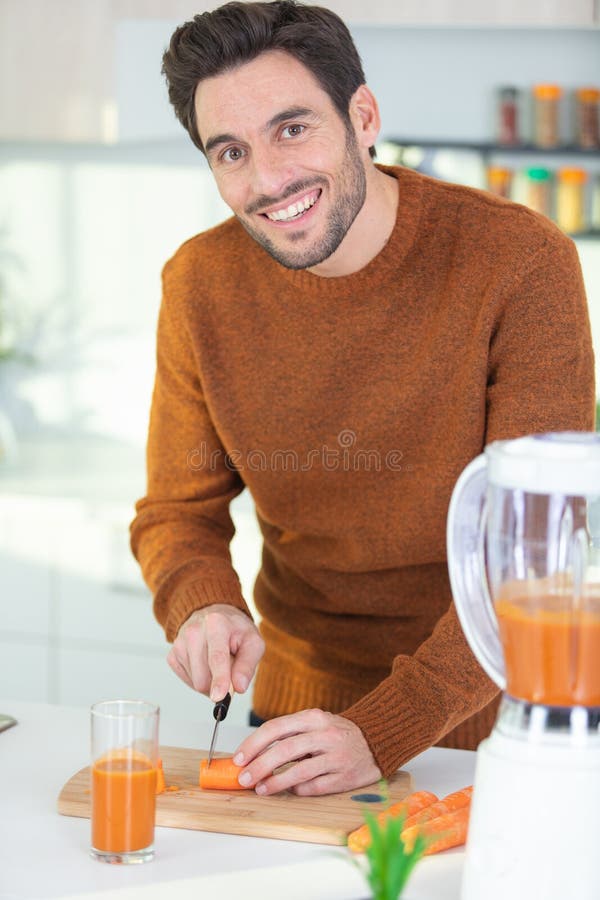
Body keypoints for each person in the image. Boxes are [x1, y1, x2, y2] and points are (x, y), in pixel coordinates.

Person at [130, 0, 595, 797]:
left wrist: (387, 730)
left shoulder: (519, 262)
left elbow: (541, 555)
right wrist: (204, 606)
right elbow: (178, 513)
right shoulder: (199, 285)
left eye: (293, 128)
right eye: (231, 151)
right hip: (292, 722)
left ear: (364, 115)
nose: (268, 180)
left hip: (502, 723)